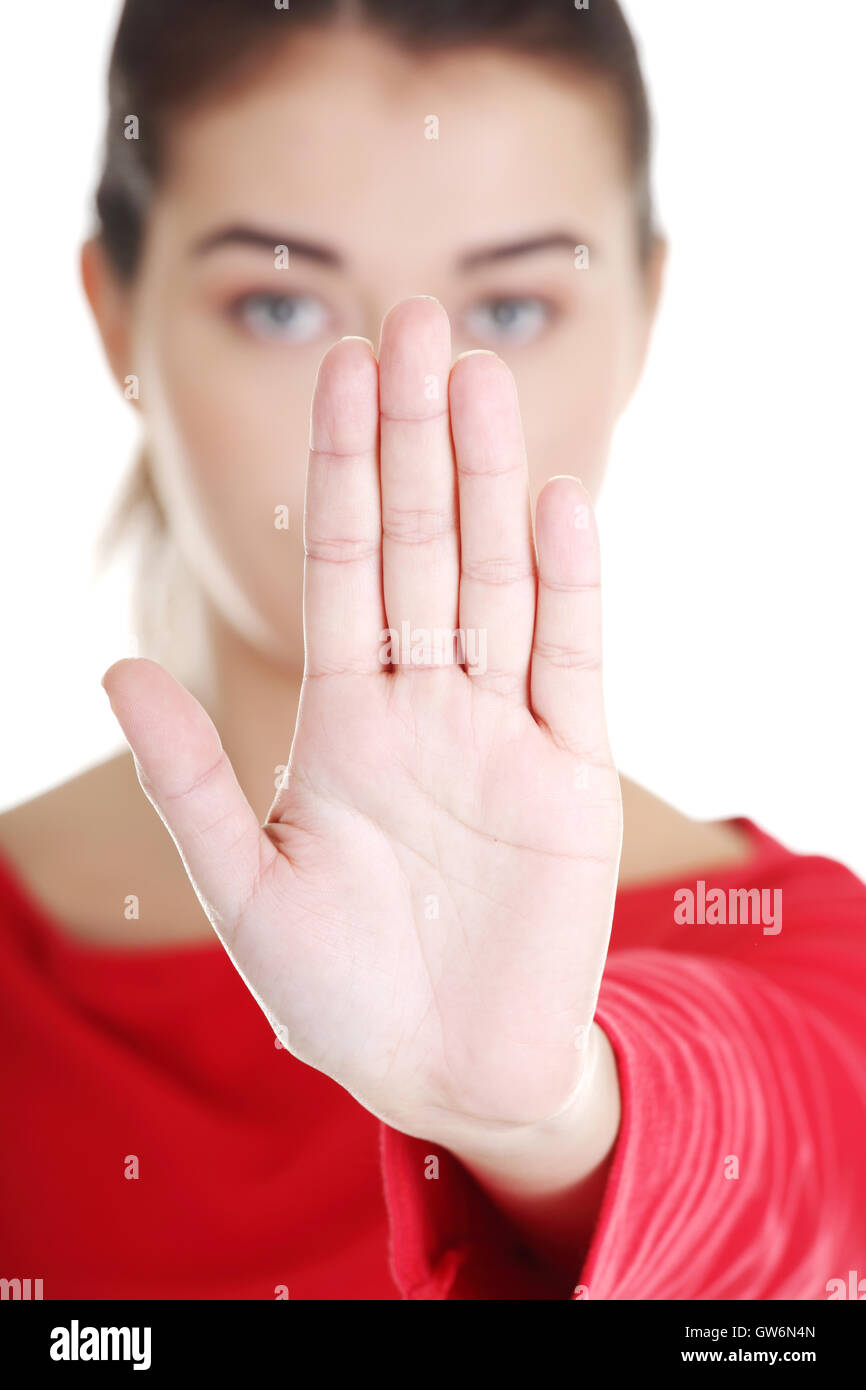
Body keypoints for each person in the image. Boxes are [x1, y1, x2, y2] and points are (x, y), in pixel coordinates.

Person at [1, 0, 863, 1301]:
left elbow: (794, 1191)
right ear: (114, 315)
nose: (407, 397)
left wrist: (547, 1126)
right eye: (280, 306)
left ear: (644, 316)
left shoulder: (805, 966)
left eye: (511, 308)